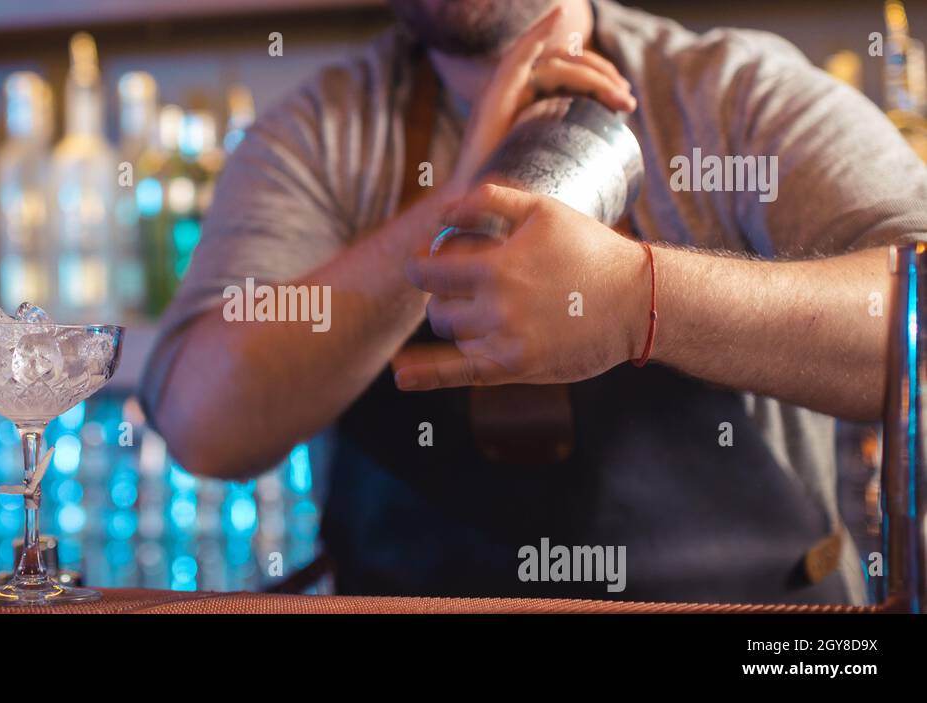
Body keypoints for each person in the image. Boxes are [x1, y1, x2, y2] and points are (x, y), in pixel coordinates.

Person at [138, 0, 927, 603]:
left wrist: (638, 299)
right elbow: (204, 425)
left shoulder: (732, 95)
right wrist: (450, 207)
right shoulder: (322, 136)